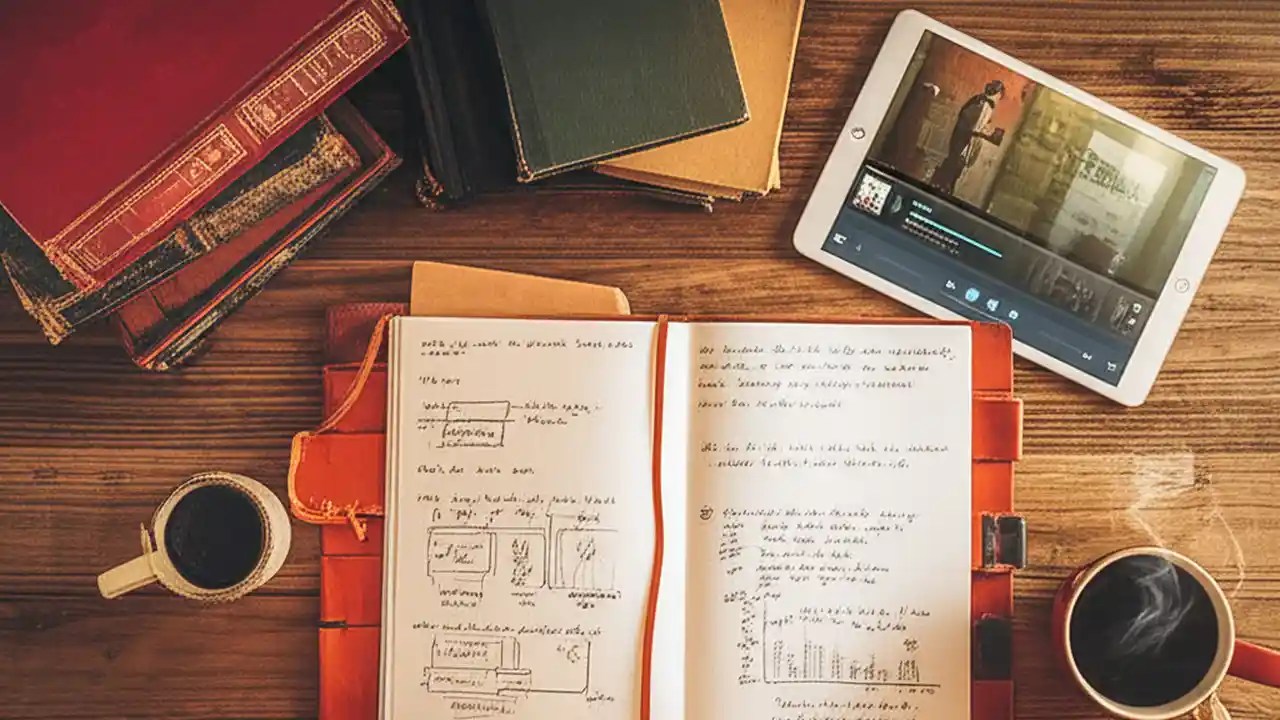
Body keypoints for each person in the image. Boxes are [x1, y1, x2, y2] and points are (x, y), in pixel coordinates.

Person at [931, 79, 1005, 196]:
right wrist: (989, 136)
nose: (999, 100)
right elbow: (975, 128)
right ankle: (944, 186)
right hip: (965, 138)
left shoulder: (978, 99)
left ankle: (942, 184)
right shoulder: (987, 104)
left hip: (960, 134)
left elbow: (968, 118)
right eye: (1000, 97)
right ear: (998, 94)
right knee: (956, 163)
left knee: (954, 160)